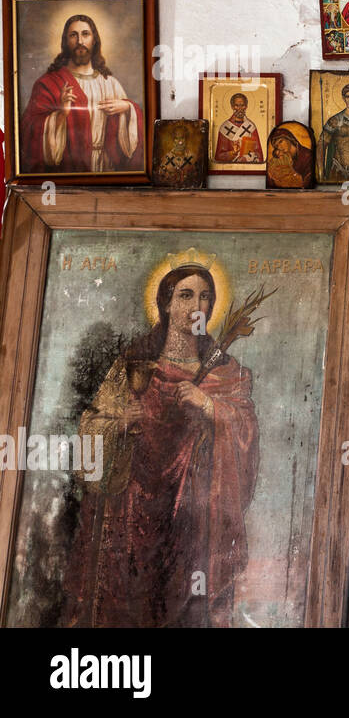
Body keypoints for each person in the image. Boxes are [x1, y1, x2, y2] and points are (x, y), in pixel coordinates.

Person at [61, 265, 258, 627]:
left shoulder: (226, 374)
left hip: (193, 515)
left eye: (205, 296)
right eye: (185, 295)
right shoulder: (134, 365)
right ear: (165, 303)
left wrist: (209, 406)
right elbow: (91, 425)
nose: (197, 305)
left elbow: (244, 431)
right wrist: (121, 421)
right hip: (130, 509)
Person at [19, 13, 143, 174]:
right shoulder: (49, 83)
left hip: (107, 169)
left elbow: (136, 136)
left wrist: (127, 107)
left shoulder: (110, 83)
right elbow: (28, 131)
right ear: (66, 41)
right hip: (71, 170)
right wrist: (60, 115)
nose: (80, 41)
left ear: (94, 39)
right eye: (73, 35)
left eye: (85, 34)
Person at [214, 93, 264, 164]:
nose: (240, 108)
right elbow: (219, 157)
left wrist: (247, 158)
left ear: (246, 106)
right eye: (237, 105)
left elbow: (258, 153)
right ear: (232, 107)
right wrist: (233, 153)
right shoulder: (225, 127)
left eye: (242, 105)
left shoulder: (251, 127)